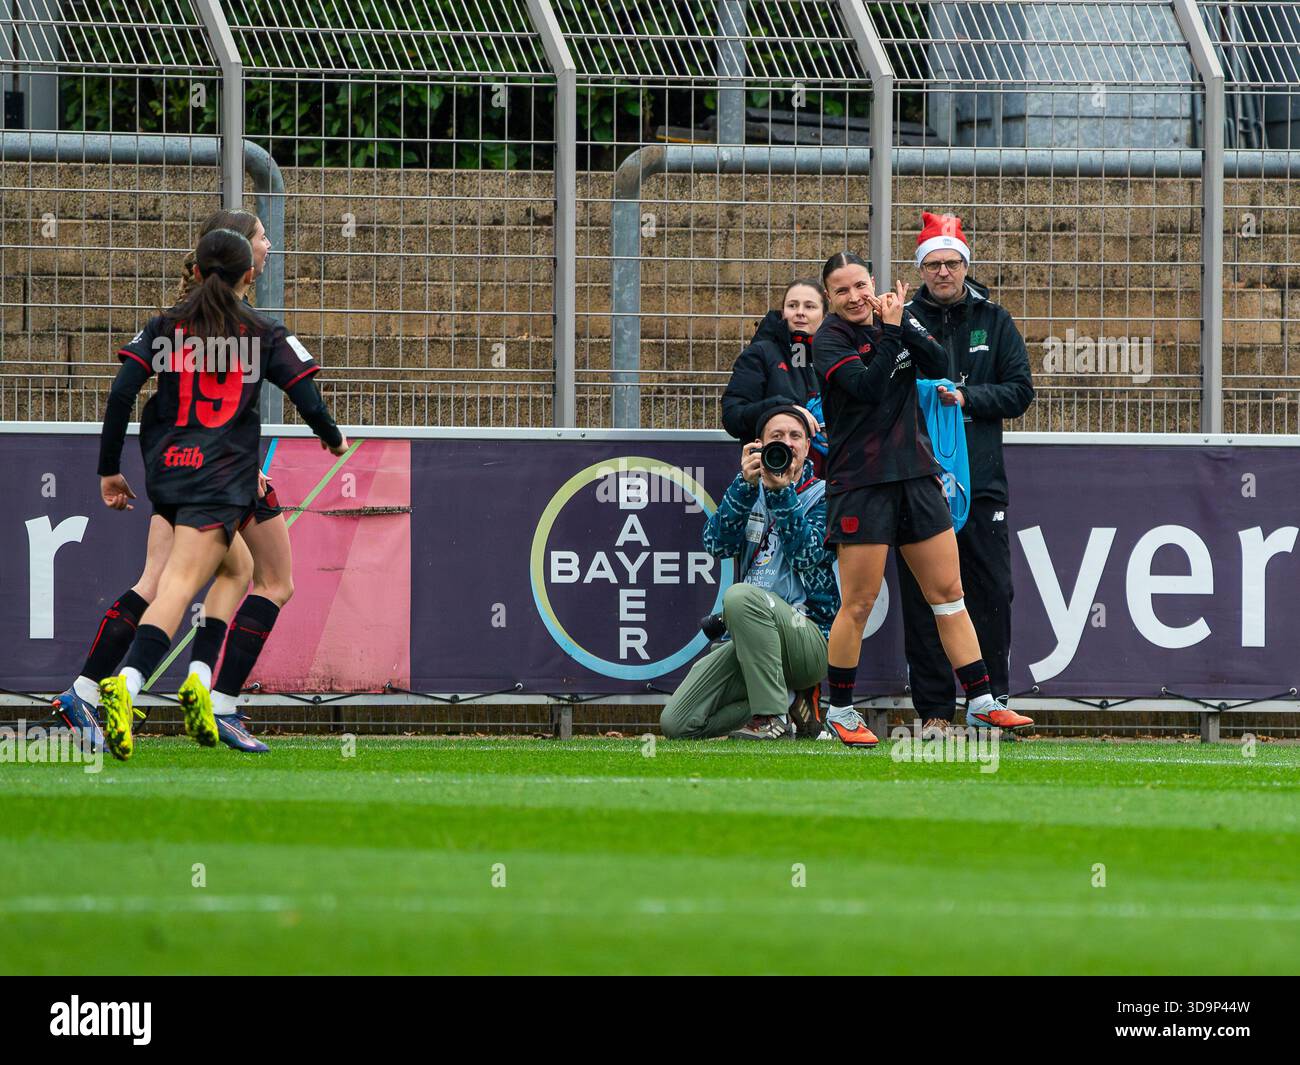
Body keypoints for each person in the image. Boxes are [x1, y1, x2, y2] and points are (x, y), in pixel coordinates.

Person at [52, 209, 301, 754]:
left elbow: (169, 402)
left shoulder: (193, 318)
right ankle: (210, 699)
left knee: (171, 580)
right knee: (264, 580)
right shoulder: (227, 323)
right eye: (261, 237)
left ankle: (99, 690)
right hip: (218, 479)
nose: (268, 246)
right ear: (240, 254)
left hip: (194, 472)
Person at [95, 226, 348, 760]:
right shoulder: (262, 331)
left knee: (230, 571)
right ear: (249, 273)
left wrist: (108, 469)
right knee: (189, 582)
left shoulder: (165, 326)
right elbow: (308, 398)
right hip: (224, 476)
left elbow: (121, 392)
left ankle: (200, 682)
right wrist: (333, 439)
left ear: (196, 268)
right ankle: (133, 683)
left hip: (168, 471)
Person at [812, 251, 1028, 749]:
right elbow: (866, 388)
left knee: (949, 594)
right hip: (862, 484)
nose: (855, 296)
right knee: (859, 603)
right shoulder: (830, 341)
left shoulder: (896, 321)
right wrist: (891, 332)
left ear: (874, 283)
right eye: (842, 290)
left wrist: (902, 323)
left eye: (861, 285)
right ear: (830, 297)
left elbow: (938, 364)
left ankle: (981, 702)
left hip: (918, 476)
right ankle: (841, 711)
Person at [898, 212, 1034, 734]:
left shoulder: (994, 320)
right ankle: (934, 711)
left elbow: (1020, 391)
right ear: (922, 270)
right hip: (919, 483)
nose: (943, 273)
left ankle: (992, 701)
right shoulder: (903, 321)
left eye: (951, 263)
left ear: (965, 265)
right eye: (932, 265)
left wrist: (967, 399)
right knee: (926, 598)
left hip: (982, 481)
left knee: (992, 590)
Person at [660, 405, 838, 741]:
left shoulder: (825, 494)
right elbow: (715, 544)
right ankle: (787, 704)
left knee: (739, 596)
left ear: (807, 445)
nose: (786, 443)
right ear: (759, 444)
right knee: (677, 723)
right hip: (750, 635)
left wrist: (780, 492)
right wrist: (744, 484)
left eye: (795, 436)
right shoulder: (747, 489)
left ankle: (771, 717)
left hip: (809, 637)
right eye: (777, 437)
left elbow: (807, 555)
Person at [721, 281, 828, 472]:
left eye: (810, 306)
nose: (800, 312)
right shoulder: (761, 353)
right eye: (792, 305)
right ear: (782, 312)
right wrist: (784, 409)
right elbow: (733, 417)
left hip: (834, 480)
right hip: (773, 474)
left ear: (824, 315)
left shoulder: (837, 354)